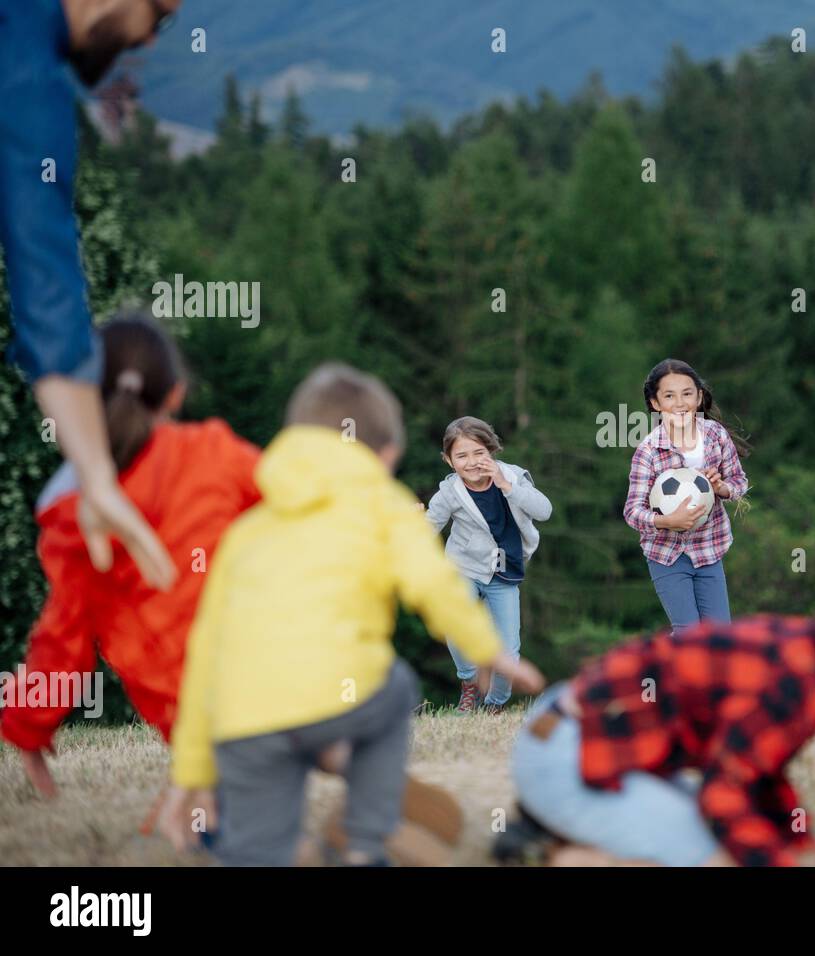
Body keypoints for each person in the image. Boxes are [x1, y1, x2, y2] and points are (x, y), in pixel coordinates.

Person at [158, 363, 544, 865]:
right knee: (397, 688)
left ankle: (270, 849)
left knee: (259, 848)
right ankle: (365, 840)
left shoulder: (246, 531)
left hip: (247, 719)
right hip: (344, 697)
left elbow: (205, 653)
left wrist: (189, 774)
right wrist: (488, 647)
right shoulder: (382, 503)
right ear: (386, 454)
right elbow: (433, 582)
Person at [501, 581, 815, 866]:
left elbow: (756, 770)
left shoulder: (801, 643)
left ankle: (549, 830)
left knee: (737, 832)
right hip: (570, 760)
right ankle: (557, 853)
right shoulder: (797, 692)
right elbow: (723, 795)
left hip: (566, 724)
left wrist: (795, 837)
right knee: (721, 857)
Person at [0, 313, 259, 798]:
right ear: (176, 393)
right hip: (280, 670)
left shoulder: (72, 509)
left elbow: (64, 638)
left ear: (81, 403)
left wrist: (28, 728)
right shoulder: (215, 452)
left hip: (185, 712)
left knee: (231, 810)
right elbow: (295, 496)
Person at [0, 0, 185, 592]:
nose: (147, 42)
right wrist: (98, 475)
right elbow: (44, 279)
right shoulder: (29, 78)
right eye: (158, 17)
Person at [426, 416, 552, 714]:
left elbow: (544, 511)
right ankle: (469, 683)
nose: (471, 462)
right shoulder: (450, 492)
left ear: (492, 451)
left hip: (505, 573)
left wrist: (507, 485)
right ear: (449, 460)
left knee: (509, 651)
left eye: (478, 453)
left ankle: (494, 704)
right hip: (462, 569)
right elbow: (427, 527)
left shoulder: (514, 477)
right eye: (462, 456)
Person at [623, 359, 748, 635]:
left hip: (708, 550)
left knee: (719, 635)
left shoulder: (715, 437)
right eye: (669, 395)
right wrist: (667, 520)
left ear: (699, 397)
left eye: (687, 394)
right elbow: (632, 511)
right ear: (656, 403)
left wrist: (721, 489)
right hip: (666, 556)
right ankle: (676, 676)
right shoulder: (649, 450)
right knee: (688, 633)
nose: (680, 403)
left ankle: (715, 680)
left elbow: (739, 482)